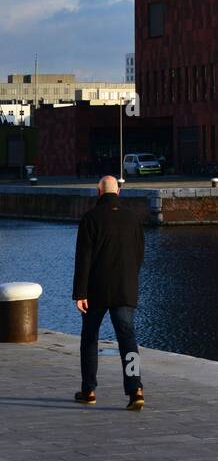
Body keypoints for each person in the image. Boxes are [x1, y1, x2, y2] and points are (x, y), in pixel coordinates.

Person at [72, 175, 145, 410]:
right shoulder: (132, 219)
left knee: (90, 338)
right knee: (128, 338)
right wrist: (129, 278)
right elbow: (139, 254)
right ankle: (135, 389)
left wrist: (79, 293)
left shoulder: (90, 218)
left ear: (98, 192)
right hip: (125, 288)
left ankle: (89, 389)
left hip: (96, 290)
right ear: (119, 192)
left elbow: (83, 259)